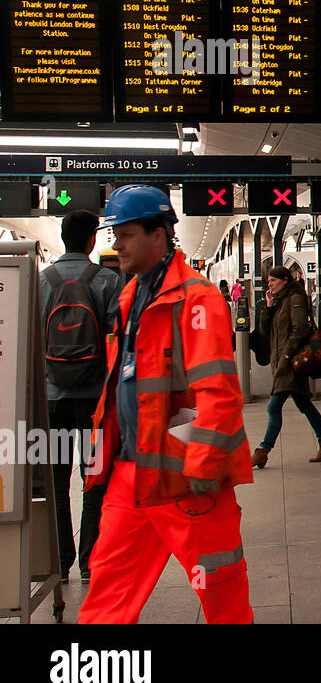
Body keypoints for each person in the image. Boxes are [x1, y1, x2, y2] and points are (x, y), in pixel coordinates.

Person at [78, 184, 253, 624]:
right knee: (107, 590)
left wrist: (202, 462)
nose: (115, 244)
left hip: (183, 477)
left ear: (159, 234)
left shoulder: (197, 299)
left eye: (125, 234)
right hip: (130, 473)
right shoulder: (128, 296)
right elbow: (123, 385)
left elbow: (217, 390)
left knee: (221, 591)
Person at [40, 209, 123, 583]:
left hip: (51, 399)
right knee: (94, 475)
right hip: (95, 400)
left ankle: (60, 560)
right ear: (93, 239)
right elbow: (120, 340)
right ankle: (91, 560)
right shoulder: (107, 280)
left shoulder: (39, 281)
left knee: (55, 477)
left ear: (62, 238)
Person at [249, 265, 321, 468]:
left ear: (285, 280)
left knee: (274, 406)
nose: (270, 285)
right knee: (304, 404)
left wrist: (287, 354)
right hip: (281, 362)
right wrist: (268, 307)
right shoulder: (278, 302)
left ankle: (263, 450)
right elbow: (264, 330)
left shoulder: (295, 299)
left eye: (273, 281)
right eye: (269, 282)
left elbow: (300, 329)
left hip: (291, 363)